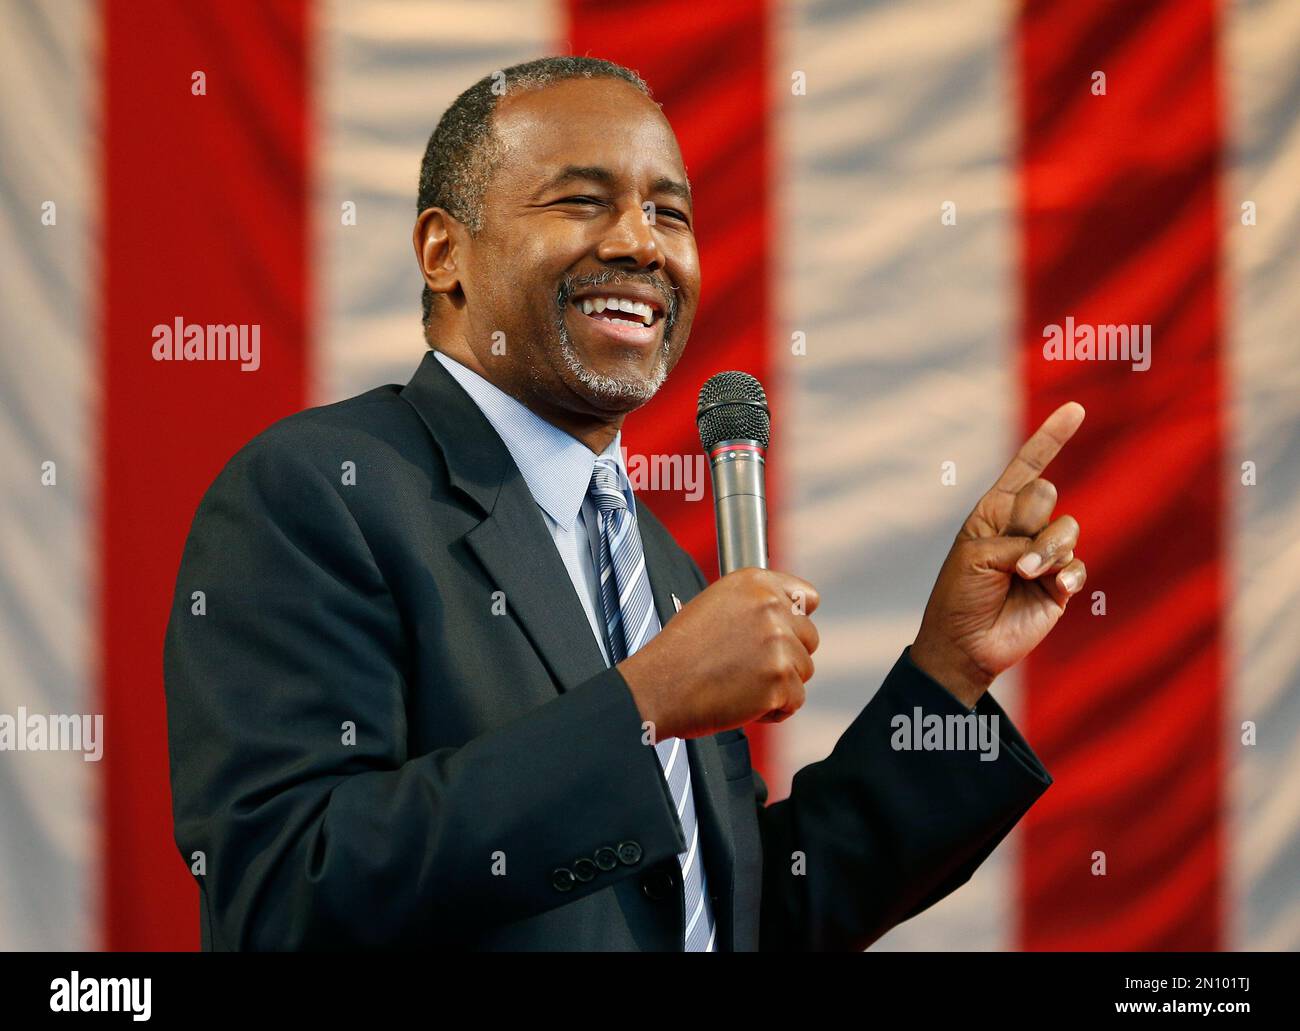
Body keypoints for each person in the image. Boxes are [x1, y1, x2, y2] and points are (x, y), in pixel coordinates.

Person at [163, 56, 1087, 952]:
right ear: (444, 251)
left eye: (668, 211)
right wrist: (646, 700)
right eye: (583, 199)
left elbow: (739, 918)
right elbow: (283, 891)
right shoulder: (319, 491)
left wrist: (949, 673)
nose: (641, 243)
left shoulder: (659, 565)